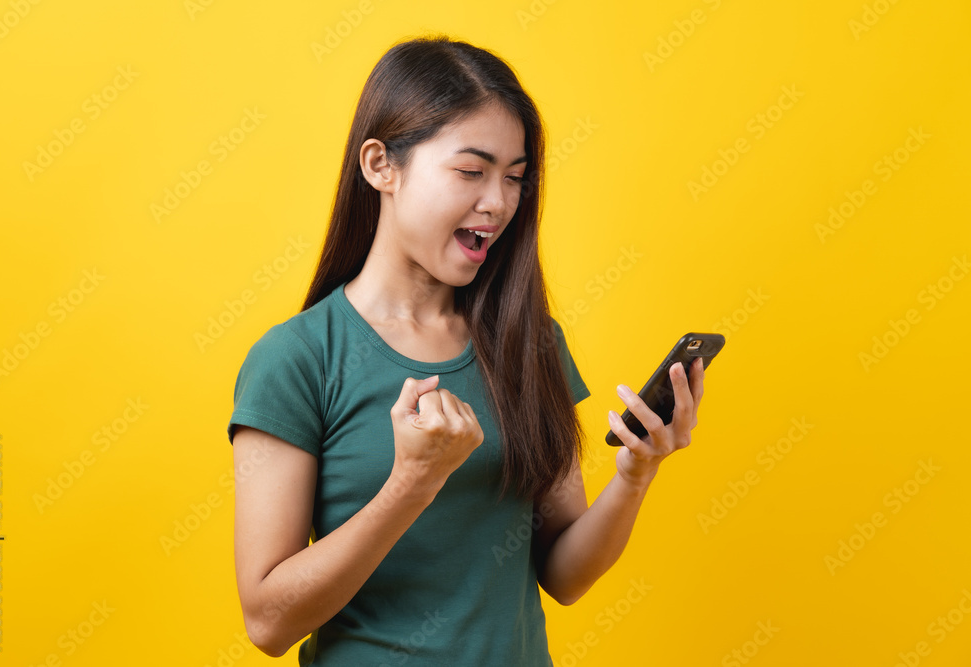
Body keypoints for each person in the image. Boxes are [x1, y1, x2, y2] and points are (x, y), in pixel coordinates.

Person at [226, 35, 705, 666]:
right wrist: (412, 483)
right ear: (381, 166)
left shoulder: (530, 344)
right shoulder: (296, 359)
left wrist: (635, 475)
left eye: (514, 178)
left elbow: (564, 575)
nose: (499, 202)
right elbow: (267, 622)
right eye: (471, 171)